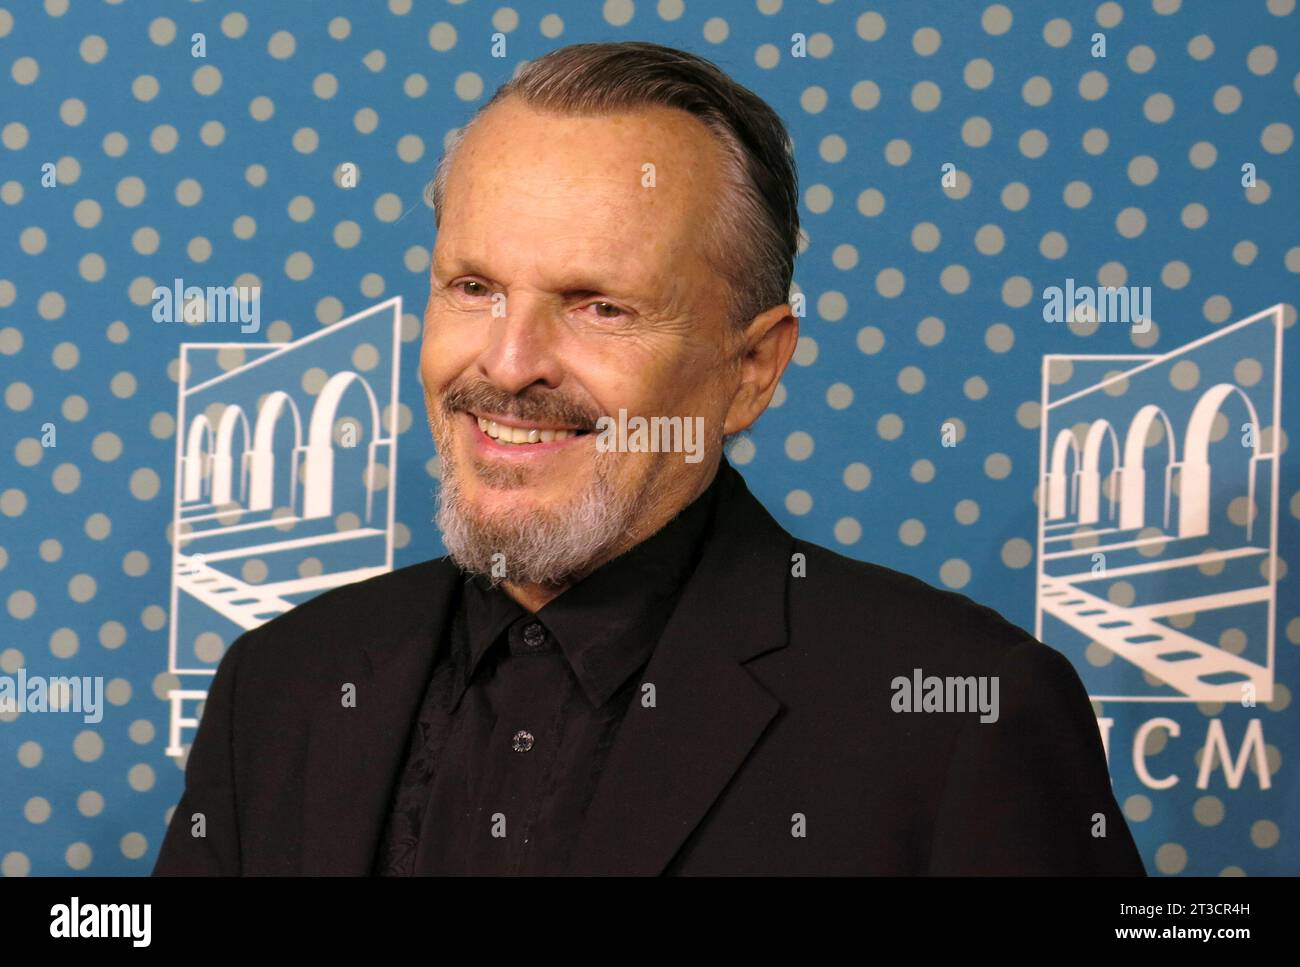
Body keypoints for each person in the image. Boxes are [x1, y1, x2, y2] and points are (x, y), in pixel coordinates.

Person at [154, 41, 1145, 876]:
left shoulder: (957, 719)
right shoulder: (279, 684)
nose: (507, 362)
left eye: (598, 306)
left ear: (751, 367)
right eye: (471, 286)